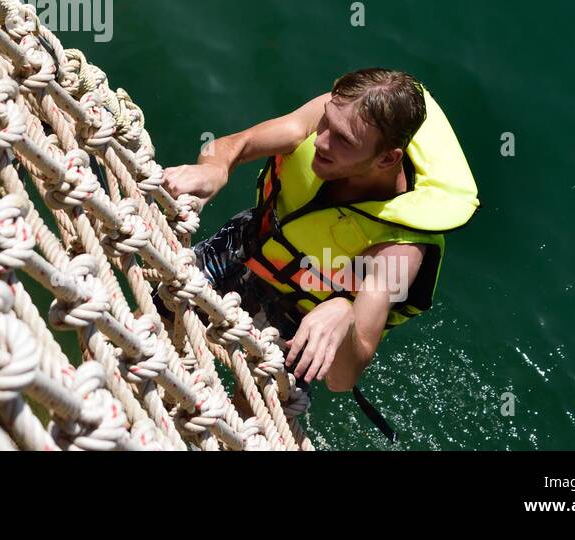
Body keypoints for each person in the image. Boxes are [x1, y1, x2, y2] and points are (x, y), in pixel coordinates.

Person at [162, 68, 478, 439]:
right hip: (244, 249)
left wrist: (344, 314)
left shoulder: (399, 248)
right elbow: (235, 143)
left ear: (387, 159)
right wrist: (215, 169)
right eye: (326, 121)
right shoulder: (331, 118)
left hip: (301, 322)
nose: (322, 141)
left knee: (244, 431)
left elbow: (344, 378)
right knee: (144, 331)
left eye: (343, 140)